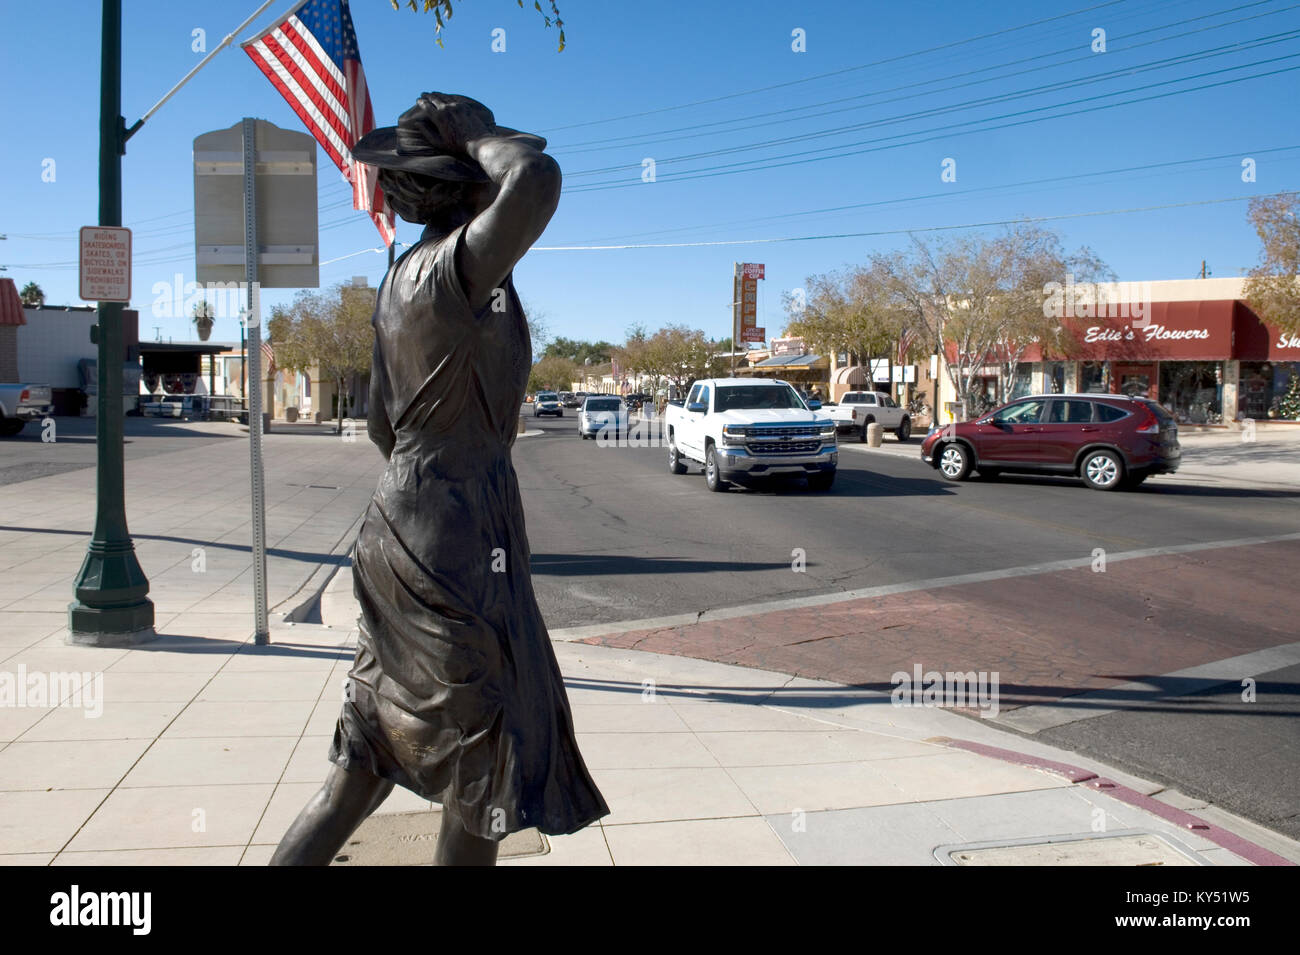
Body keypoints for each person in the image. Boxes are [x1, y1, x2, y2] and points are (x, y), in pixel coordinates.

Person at [271, 93, 608, 866]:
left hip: (406, 527)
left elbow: (385, 429)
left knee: (361, 769)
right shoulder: (452, 273)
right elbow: (538, 182)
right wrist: (487, 137)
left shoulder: (401, 282)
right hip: (454, 541)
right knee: (480, 774)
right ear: (469, 184)